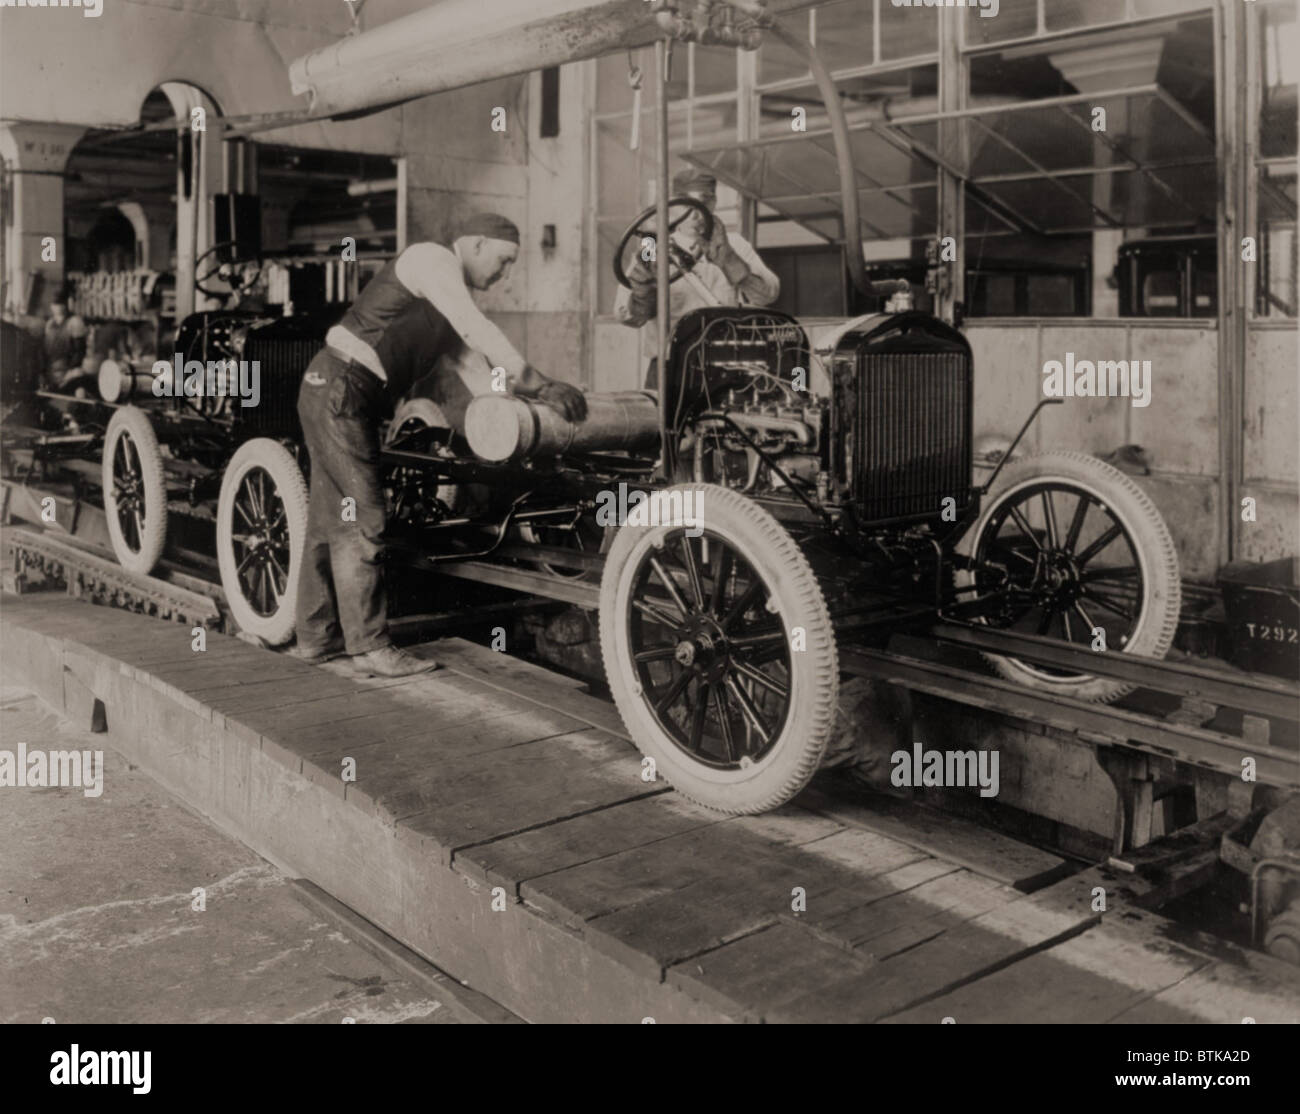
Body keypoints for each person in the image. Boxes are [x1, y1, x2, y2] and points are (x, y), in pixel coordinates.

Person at [293, 213, 587, 677]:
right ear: (474, 244)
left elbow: (482, 377)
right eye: (504, 260)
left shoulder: (443, 307)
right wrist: (538, 381)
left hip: (334, 388)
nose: (505, 274)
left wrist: (528, 423)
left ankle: (314, 639)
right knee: (363, 517)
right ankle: (369, 649)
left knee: (328, 521)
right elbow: (477, 328)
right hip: (342, 387)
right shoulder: (431, 260)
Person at [614, 170, 780, 385]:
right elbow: (628, 316)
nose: (695, 215)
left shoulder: (735, 244)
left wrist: (729, 260)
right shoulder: (651, 246)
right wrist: (643, 289)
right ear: (673, 204)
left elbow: (768, 295)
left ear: (714, 202)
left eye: (703, 202)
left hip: (725, 365)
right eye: (687, 204)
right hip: (669, 368)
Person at [41, 299, 89, 392]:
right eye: (55, 304)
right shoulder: (50, 324)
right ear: (51, 307)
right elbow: (45, 350)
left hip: (69, 372)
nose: (58, 307)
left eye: (60, 304)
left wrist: (70, 372)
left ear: (65, 306)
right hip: (50, 371)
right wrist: (43, 373)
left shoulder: (74, 322)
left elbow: (80, 350)